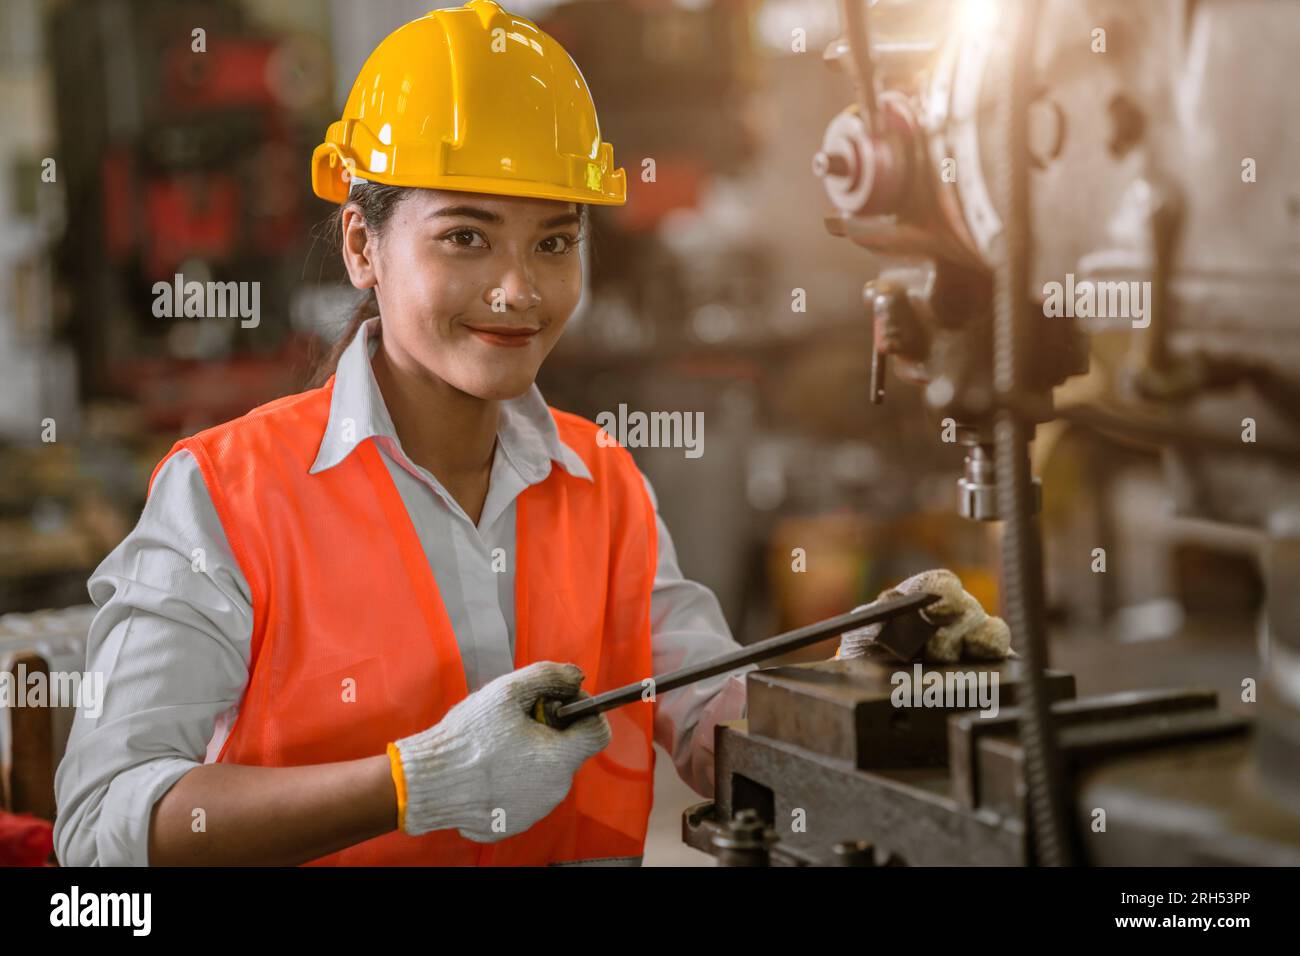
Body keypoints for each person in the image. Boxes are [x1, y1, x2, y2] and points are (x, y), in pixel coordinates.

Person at [53, 0, 750, 867]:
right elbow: (103, 830)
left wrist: (859, 699)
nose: (516, 291)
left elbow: (712, 709)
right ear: (361, 245)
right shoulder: (229, 495)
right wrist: (415, 784)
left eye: (553, 242)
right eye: (465, 236)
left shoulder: (605, 483)